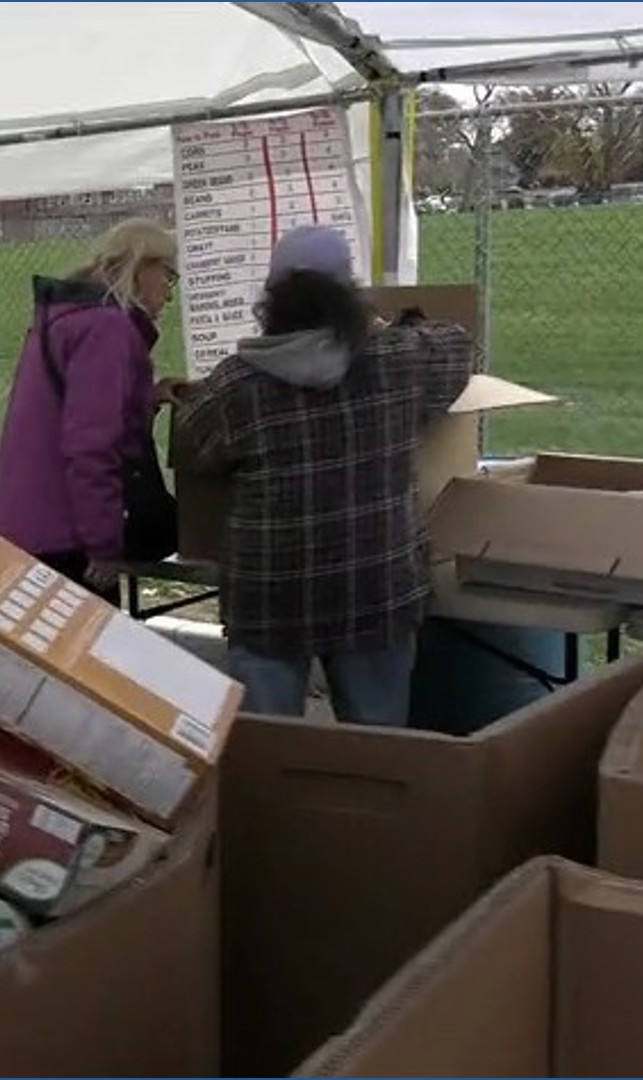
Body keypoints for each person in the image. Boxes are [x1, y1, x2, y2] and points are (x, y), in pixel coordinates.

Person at [170, 226, 475, 726]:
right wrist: (390, 325)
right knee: (377, 747)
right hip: (375, 585)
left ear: (271, 301)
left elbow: (190, 447)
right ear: (348, 293)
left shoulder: (235, 384)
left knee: (270, 746)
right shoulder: (398, 361)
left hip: (270, 596)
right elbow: (458, 345)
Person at [0, 217, 183, 593]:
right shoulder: (108, 329)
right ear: (141, 267)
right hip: (66, 538)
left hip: (24, 526)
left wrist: (147, 396)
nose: (169, 294)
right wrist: (103, 545)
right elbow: (92, 444)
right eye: (169, 277)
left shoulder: (64, 319)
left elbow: (69, 408)